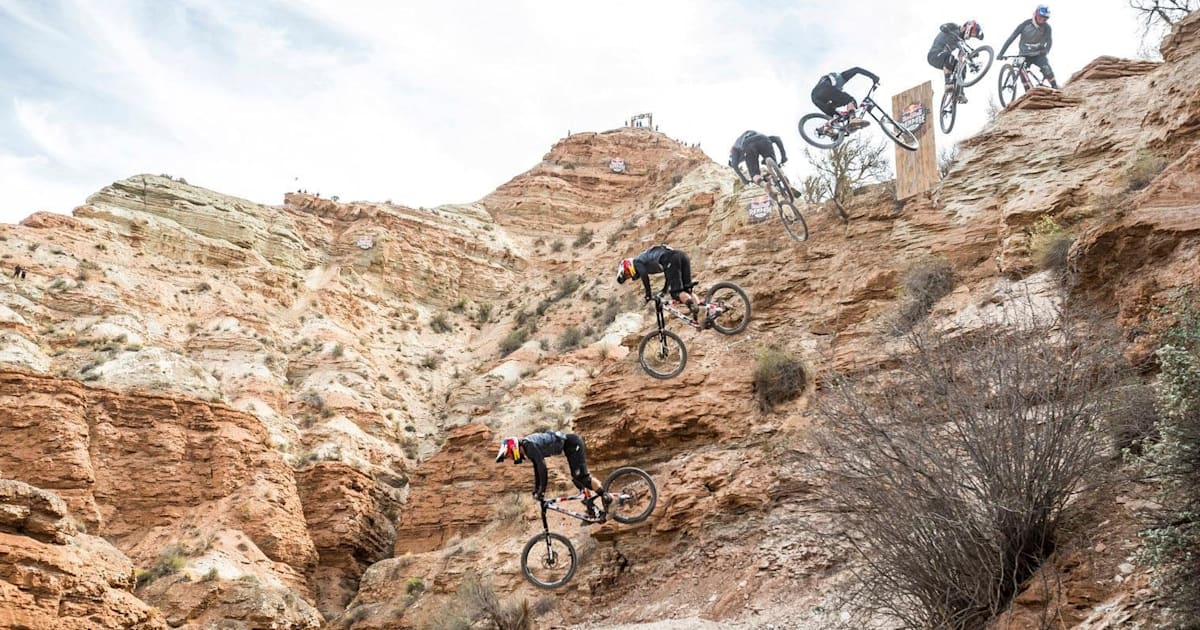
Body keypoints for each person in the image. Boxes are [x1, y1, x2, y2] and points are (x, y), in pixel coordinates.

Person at [495, 431, 611, 523]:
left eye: (508, 455)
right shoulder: (528, 447)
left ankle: (605, 496)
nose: (509, 458)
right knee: (576, 479)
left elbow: (542, 468)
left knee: (582, 477)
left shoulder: (529, 445)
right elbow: (537, 469)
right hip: (570, 447)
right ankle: (592, 508)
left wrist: (542, 491)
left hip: (573, 444)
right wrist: (536, 490)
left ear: (513, 448)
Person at [616, 245, 702, 320]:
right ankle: (702, 311)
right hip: (681, 255)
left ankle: (693, 307)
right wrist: (664, 290)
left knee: (676, 293)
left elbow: (644, 275)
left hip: (671, 258)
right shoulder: (648, 261)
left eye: (627, 274)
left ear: (627, 266)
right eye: (627, 277)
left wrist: (648, 295)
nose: (629, 276)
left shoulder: (637, 262)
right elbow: (669, 275)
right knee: (688, 290)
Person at [999, 5, 1057, 89]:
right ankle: (1028, 92)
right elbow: (1012, 38)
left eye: (1045, 18)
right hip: (1024, 54)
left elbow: (1049, 41)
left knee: (1046, 68)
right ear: (1036, 14)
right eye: (1041, 17)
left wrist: (1046, 50)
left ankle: (1055, 87)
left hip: (1038, 54)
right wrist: (1001, 53)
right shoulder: (1025, 24)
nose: (1043, 20)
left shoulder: (1047, 28)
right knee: (1021, 72)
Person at [928, 20, 984, 101]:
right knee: (949, 57)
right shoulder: (954, 26)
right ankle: (948, 84)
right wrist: (946, 28)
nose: (971, 36)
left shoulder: (961, 41)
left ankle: (959, 93)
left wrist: (970, 58)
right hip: (934, 55)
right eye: (972, 33)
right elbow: (942, 27)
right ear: (968, 27)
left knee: (962, 67)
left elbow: (961, 57)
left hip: (945, 57)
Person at [811, 67, 880, 130]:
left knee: (836, 117)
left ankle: (826, 130)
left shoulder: (828, 81)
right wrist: (874, 77)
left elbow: (836, 99)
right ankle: (853, 119)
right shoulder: (842, 76)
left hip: (815, 98)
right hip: (825, 89)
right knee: (850, 100)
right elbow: (856, 69)